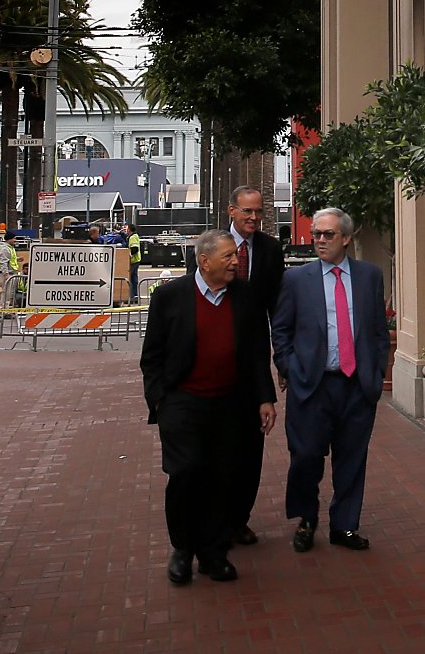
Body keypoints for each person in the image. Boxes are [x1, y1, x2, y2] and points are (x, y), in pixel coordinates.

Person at [140, 228, 276, 587]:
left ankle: (214, 554)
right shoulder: (170, 297)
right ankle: (183, 550)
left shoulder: (245, 297)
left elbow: (257, 353)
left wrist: (265, 397)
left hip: (231, 404)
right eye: (228, 256)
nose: (235, 261)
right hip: (183, 404)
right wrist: (159, 400)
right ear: (204, 261)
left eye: (235, 256)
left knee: (222, 479)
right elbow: (151, 357)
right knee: (185, 476)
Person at [271, 206, 389, 554]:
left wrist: (378, 368)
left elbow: (378, 329)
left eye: (328, 234)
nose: (319, 240)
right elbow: (281, 330)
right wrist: (289, 366)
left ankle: (345, 525)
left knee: (352, 458)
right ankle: (307, 518)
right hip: (312, 384)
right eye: (316, 234)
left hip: (356, 385)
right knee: (306, 456)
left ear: (346, 239)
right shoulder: (296, 279)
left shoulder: (369, 276)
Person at [225, 184, 285, 546]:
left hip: (254, 359)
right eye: (247, 211)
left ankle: (239, 519)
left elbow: (276, 307)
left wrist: (280, 358)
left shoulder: (270, 250)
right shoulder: (212, 245)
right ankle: (217, 517)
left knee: (251, 445)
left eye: (259, 212)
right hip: (217, 360)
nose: (253, 218)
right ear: (231, 211)